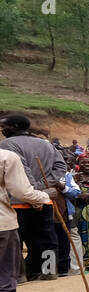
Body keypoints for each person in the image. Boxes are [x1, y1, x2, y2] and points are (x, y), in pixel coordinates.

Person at [0, 113, 66, 280]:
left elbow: (21, 172)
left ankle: (19, 275)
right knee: (46, 237)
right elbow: (60, 167)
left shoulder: (7, 144)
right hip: (45, 199)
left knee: (17, 239)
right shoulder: (46, 144)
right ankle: (48, 271)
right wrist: (45, 187)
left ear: (15, 127)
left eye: (4, 126)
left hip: (17, 201)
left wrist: (36, 192)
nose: (2, 130)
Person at [0, 145, 51, 292]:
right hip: (2, 224)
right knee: (4, 272)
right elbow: (22, 191)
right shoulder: (5, 156)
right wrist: (45, 196)